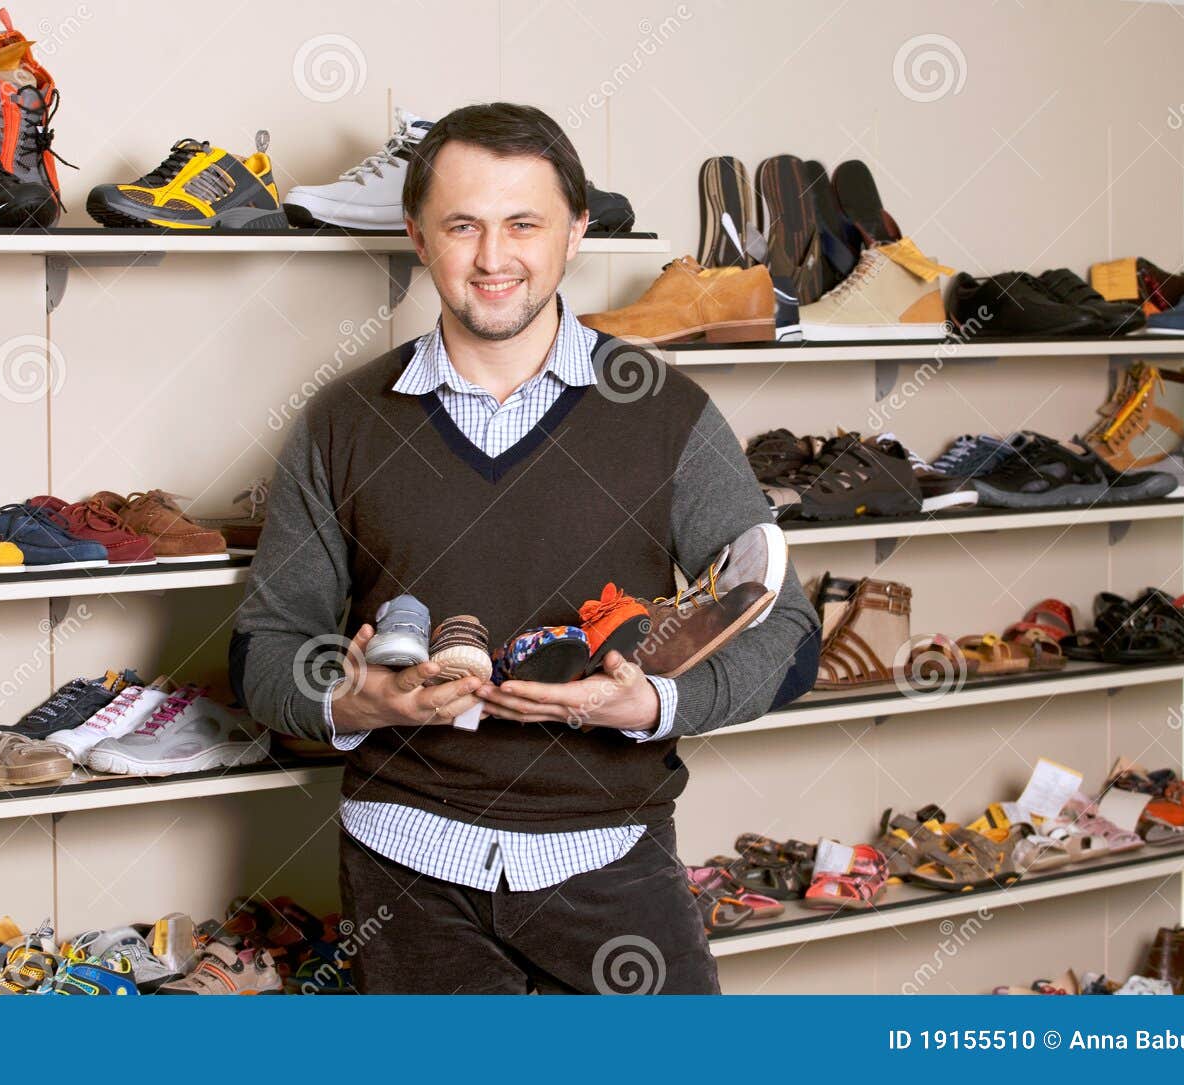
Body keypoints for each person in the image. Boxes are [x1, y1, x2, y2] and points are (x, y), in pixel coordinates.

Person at [231, 102, 818, 994]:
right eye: (462, 225)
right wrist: (356, 700)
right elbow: (262, 651)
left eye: (523, 224)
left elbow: (792, 636)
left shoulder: (667, 415)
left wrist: (655, 702)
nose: (493, 257)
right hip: (405, 868)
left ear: (577, 232)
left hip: (611, 859)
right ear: (417, 236)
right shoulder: (341, 423)